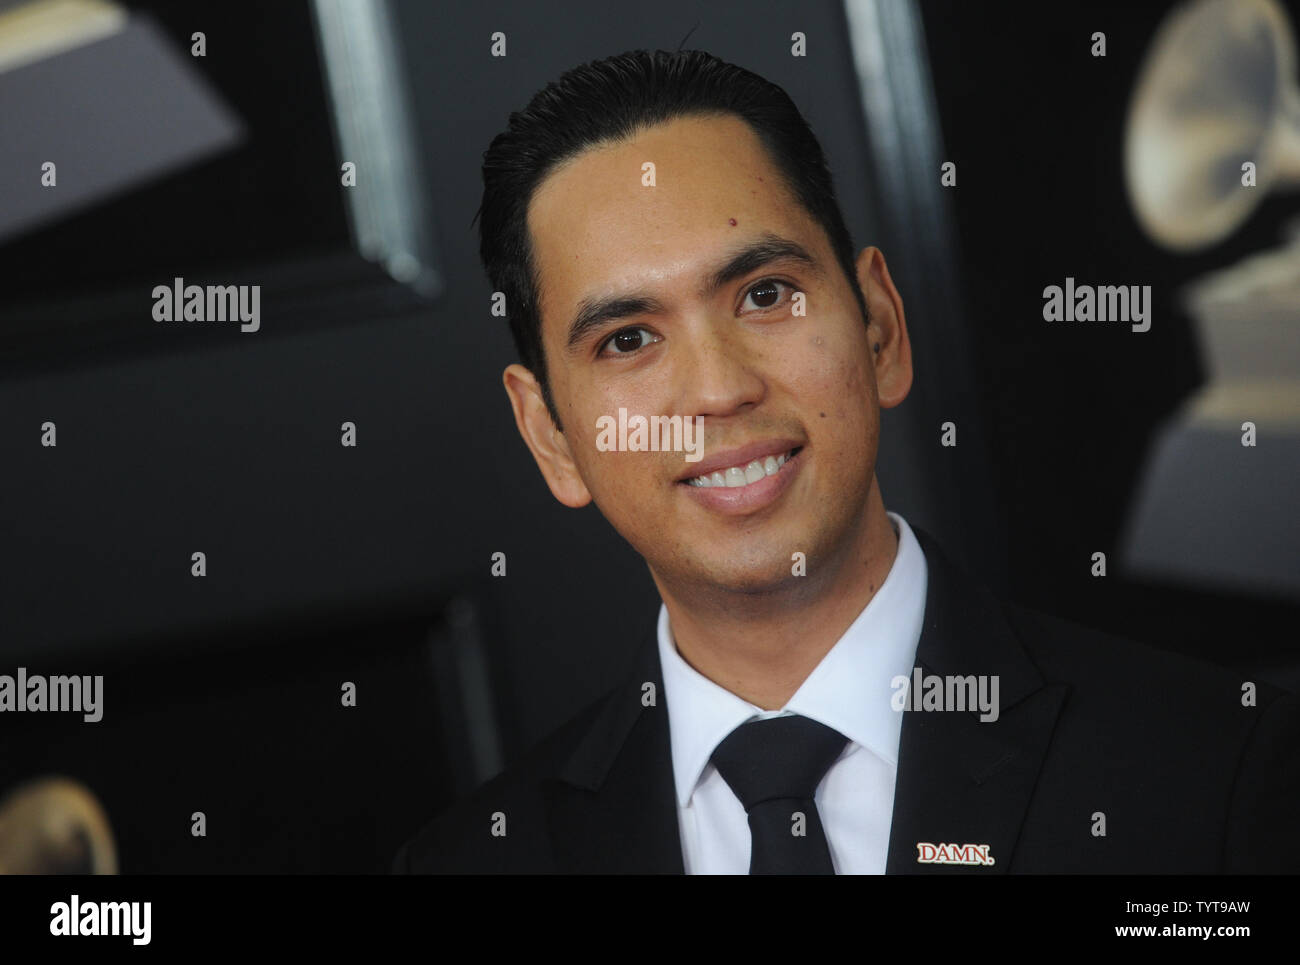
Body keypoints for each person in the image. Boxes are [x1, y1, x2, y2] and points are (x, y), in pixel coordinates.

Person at [394, 49, 1299, 874]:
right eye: (628, 338)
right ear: (550, 434)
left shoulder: (1217, 769)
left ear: (880, 326)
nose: (718, 391)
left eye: (765, 294)